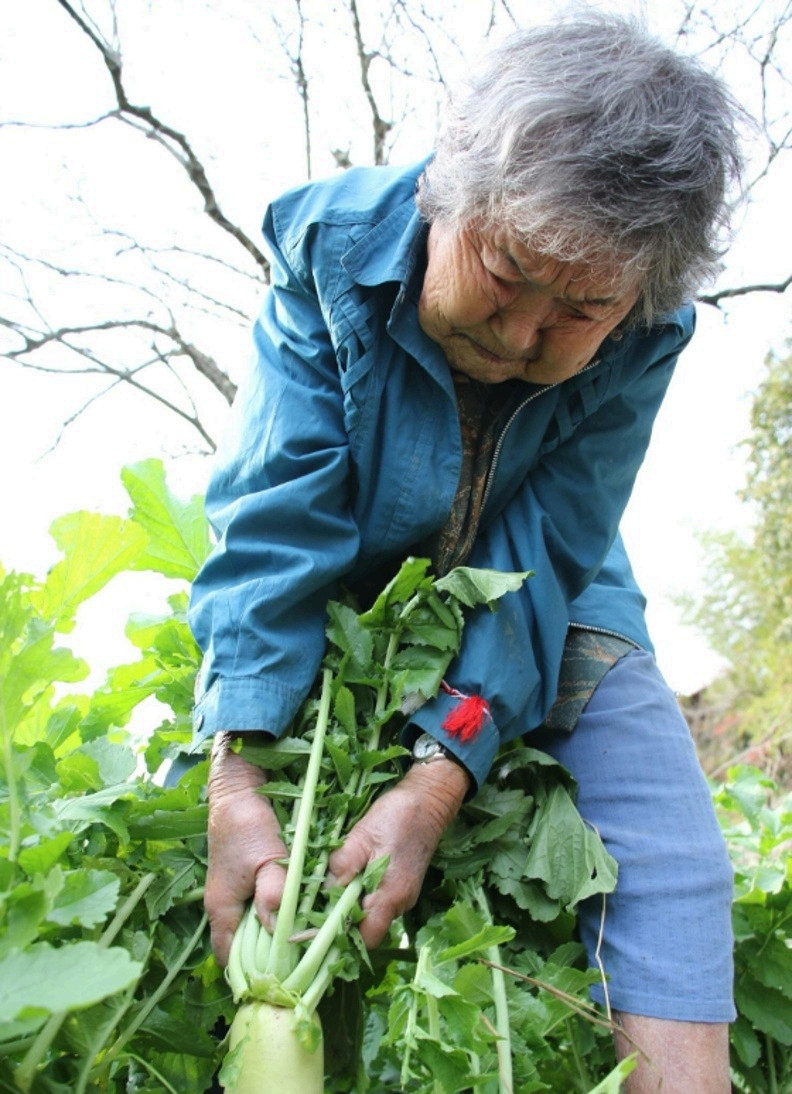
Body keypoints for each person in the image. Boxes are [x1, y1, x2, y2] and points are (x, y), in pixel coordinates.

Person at [188, 12, 743, 1092]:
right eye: (505, 271)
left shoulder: (646, 331)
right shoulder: (330, 253)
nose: (523, 336)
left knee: (672, 858)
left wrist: (440, 772)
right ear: (451, 190)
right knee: (218, 831)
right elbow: (275, 522)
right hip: (347, 591)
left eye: (580, 311)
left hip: (553, 588)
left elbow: (554, 539)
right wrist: (235, 770)